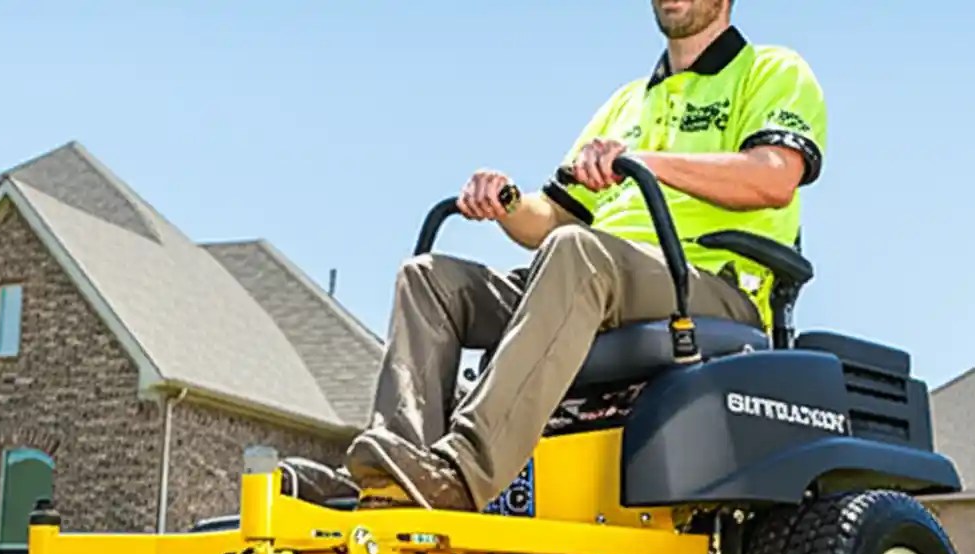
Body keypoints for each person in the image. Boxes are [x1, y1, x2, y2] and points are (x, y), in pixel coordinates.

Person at [283, 0, 827, 512]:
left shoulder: (772, 70)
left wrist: (648, 161)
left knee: (577, 254)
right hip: (595, 272)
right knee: (429, 280)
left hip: (709, 284)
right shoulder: (627, 103)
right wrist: (507, 203)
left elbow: (773, 177)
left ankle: (462, 471)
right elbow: (555, 220)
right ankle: (391, 473)